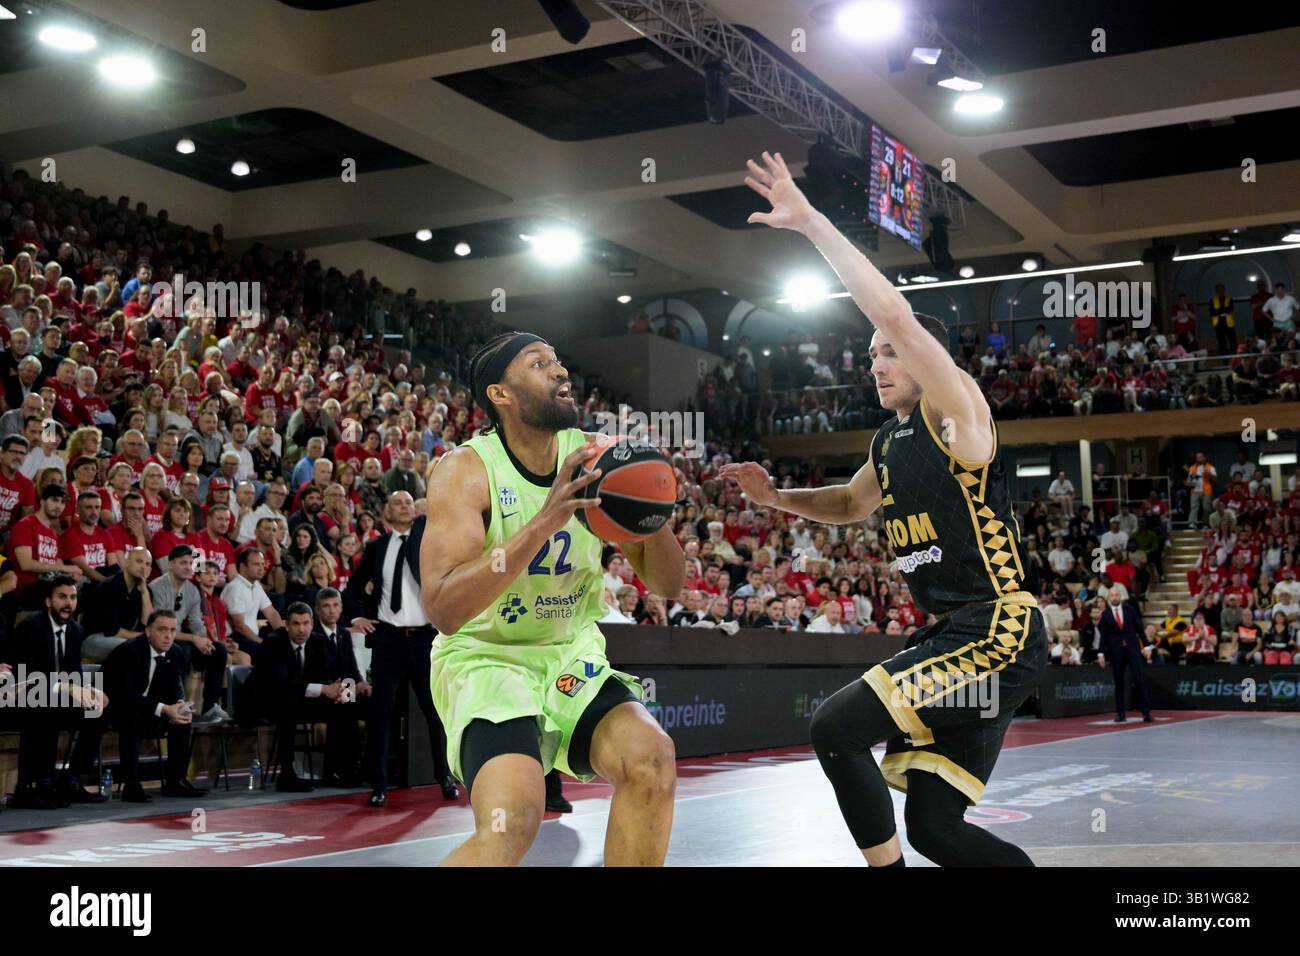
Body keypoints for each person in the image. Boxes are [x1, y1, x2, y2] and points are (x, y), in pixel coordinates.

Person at [718, 150, 1047, 868]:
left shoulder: (954, 409)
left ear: (925, 357)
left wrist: (810, 225)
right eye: (870, 356)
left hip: (998, 629)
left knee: (835, 728)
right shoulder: (890, 440)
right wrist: (777, 499)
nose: (877, 362)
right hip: (952, 636)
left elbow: (891, 310)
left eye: (889, 353)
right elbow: (846, 503)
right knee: (935, 828)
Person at [420, 331, 685, 866]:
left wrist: (649, 512)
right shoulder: (465, 471)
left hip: (568, 656)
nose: (561, 372)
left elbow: (668, 587)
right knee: (512, 822)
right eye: (540, 364)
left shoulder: (596, 458)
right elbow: (445, 610)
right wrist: (544, 521)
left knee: (651, 758)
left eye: (559, 362)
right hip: (487, 660)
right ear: (501, 394)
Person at [345, 491, 457, 807]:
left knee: (435, 711)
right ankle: (379, 785)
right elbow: (354, 586)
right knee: (381, 713)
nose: (405, 506)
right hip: (388, 639)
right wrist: (357, 616)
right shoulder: (377, 548)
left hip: (424, 639)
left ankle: (445, 777)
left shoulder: (428, 543)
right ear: (386, 513)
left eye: (409, 502)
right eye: (397, 503)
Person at [0, 573, 108, 808]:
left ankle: (72, 780)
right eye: (62, 597)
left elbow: (74, 672)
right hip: (20, 698)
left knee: (96, 712)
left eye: (72, 597)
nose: (68, 603)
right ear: (49, 601)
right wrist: (69, 687)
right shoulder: (31, 627)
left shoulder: (76, 631)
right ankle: (30, 786)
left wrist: (92, 691)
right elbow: (25, 678)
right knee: (43, 707)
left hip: (55, 697)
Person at [102, 610, 204, 802]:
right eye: (162, 629)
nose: (168, 636)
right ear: (148, 631)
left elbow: (176, 686)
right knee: (133, 717)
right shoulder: (129, 650)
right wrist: (165, 709)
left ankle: (175, 781)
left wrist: (180, 705)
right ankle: (131, 785)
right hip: (116, 708)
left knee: (182, 719)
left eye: (173, 630)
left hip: (150, 708)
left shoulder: (176, 652)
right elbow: (125, 694)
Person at [149, 544, 230, 724]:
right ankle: (177, 704)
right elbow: (162, 628)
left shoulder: (192, 591)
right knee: (181, 650)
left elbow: (196, 624)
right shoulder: (157, 586)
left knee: (218, 651)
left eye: (191, 563)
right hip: (158, 639)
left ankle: (211, 707)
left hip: (178, 637)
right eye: (183, 563)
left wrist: (206, 642)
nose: (188, 567)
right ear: (170, 565)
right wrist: (195, 638)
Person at [80, 546, 155, 662]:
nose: (143, 567)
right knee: (135, 649)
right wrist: (142, 638)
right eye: (139, 561)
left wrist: (145, 593)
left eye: (147, 564)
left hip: (122, 638)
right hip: (94, 638)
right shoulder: (110, 586)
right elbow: (112, 630)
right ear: (127, 562)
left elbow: (148, 623)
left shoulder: (144, 589)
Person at [1096, 592, 1153, 722]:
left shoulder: (1129, 610)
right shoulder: (1106, 614)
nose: (1115, 598)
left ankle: (1146, 713)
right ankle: (1120, 713)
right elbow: (1103, 636)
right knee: (1119, 683)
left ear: (1120, 597)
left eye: (1117, 595)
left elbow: (1139, 628)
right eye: (1112, 596)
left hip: (1133, 650)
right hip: (1116, 652)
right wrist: (1100, 653)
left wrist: (1147, 646)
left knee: (1139, 679)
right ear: (1109, 598)